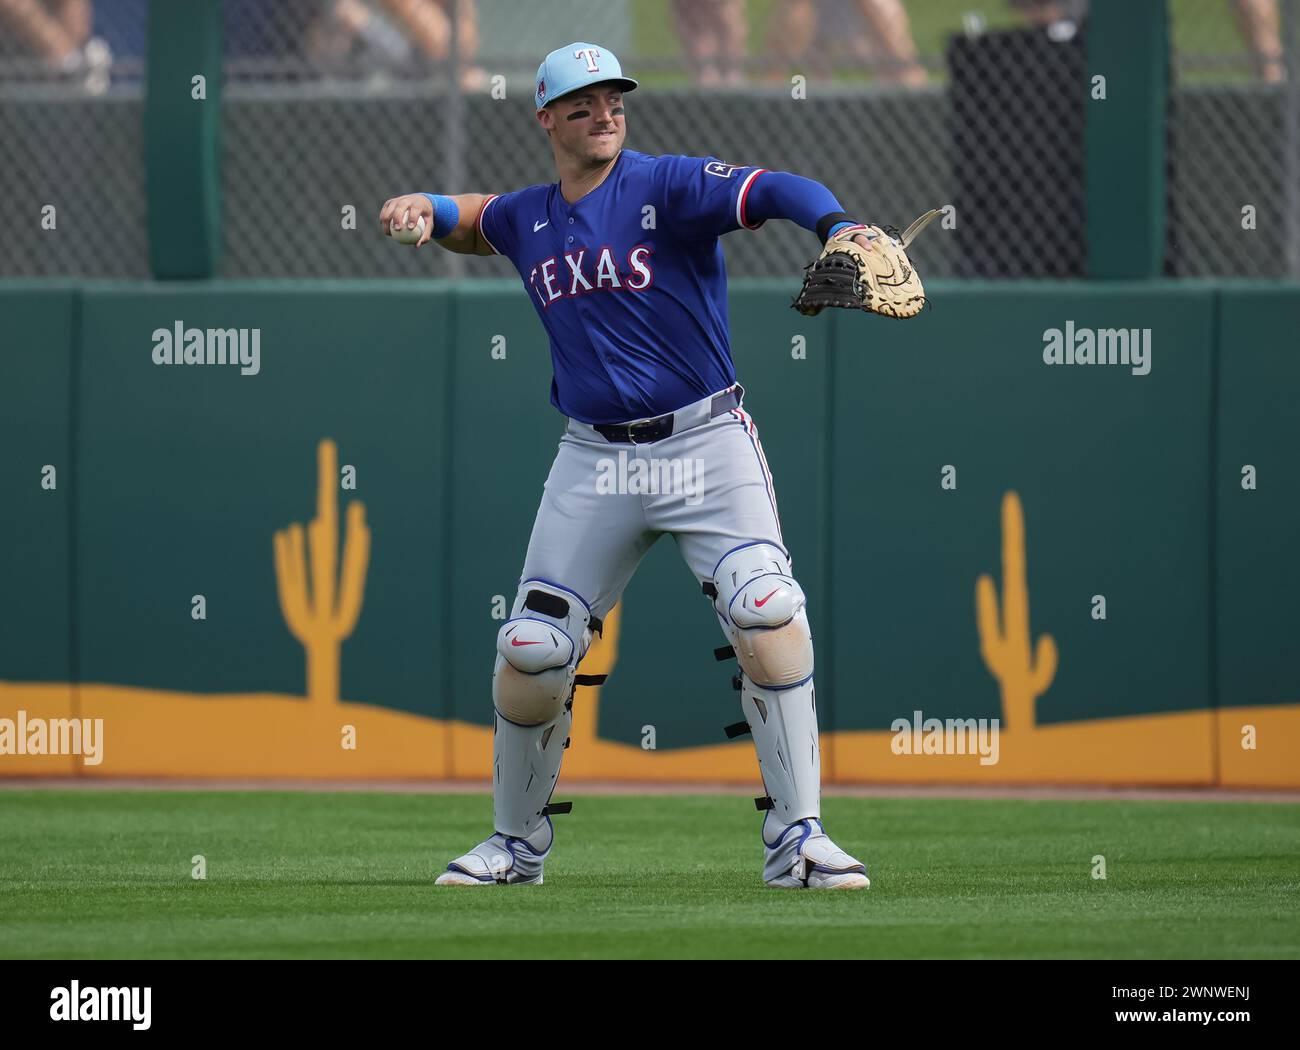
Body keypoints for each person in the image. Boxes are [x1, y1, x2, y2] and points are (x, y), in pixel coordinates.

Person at [380, 42, 877, 890]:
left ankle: (799, 839)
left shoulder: (668, 184)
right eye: (580, 104)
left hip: (705, 441)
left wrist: (840, 225)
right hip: (594, 455)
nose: (602, 113)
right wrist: (421, 205)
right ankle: (514, 846)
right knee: (533, 649)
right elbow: (475, 218)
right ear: (546, 119)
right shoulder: (529, 216)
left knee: (766, 613)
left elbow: (779, 188)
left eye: (612, 99)